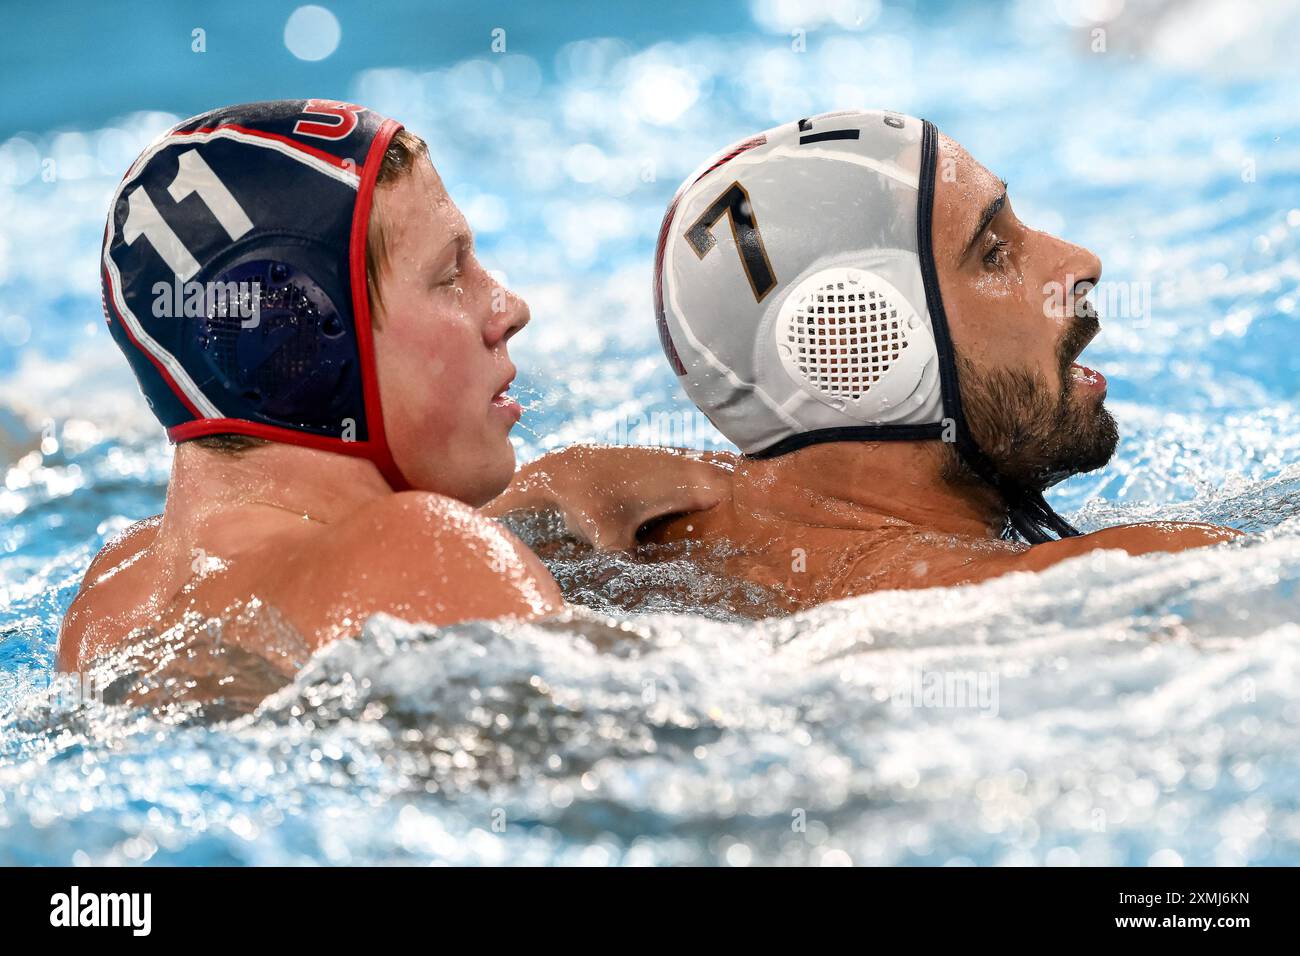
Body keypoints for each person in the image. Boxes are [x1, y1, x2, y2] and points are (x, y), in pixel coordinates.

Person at [487, 110, 1240, 613]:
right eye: (993, 253)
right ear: (855, 344)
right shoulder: (1136, 577)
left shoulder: (591, 499)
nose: (1078, 263)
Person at [57, 99, 568, 671]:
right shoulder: (424, 554)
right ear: (294, 346)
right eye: (450, 274)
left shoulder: (107, 602)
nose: (510, 309)